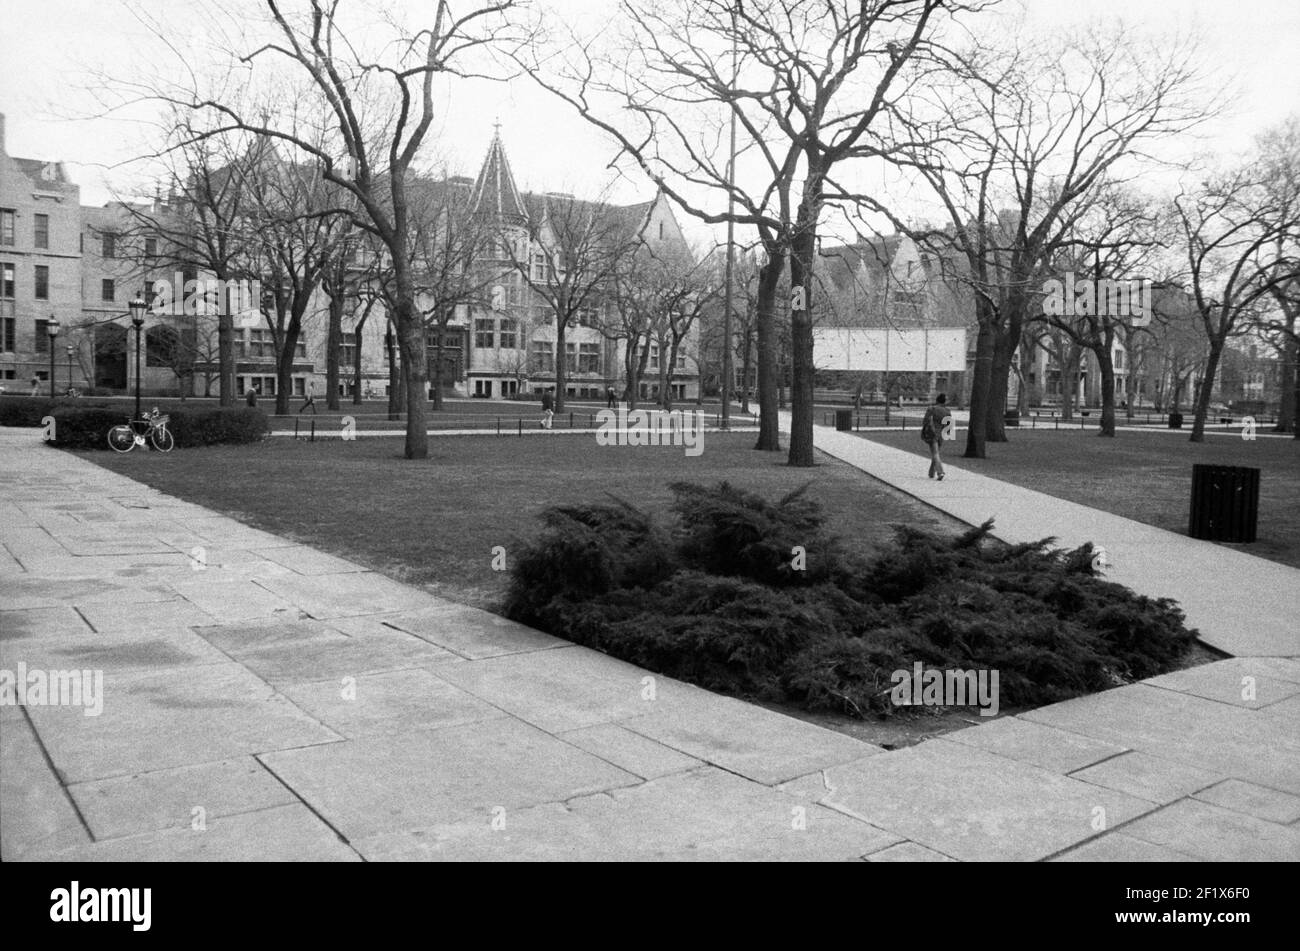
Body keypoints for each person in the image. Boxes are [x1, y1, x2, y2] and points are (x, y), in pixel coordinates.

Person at [921, 393, 952, 481]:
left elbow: (925, 421)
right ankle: (931, 473)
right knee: (936, 453)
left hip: (933, 433)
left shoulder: (932, 409)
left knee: (935, 453)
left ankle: (940, 472)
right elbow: (948, 425)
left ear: (937, 400)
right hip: (941, 434)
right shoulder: (947, 411)